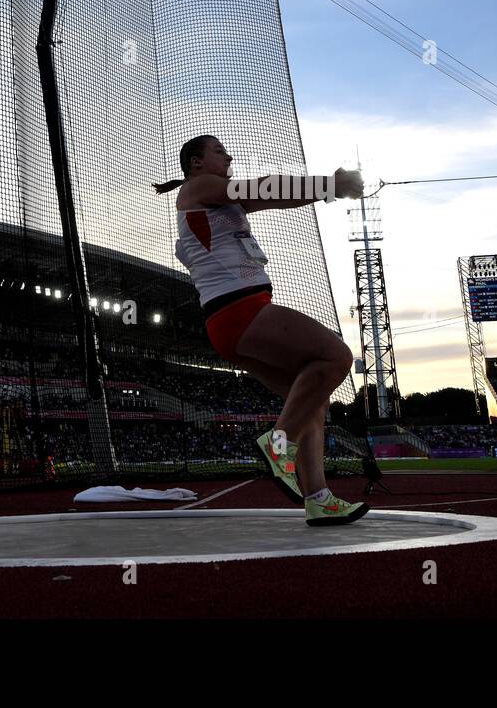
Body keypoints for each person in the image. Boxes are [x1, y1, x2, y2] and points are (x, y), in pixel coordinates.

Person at [154, 135, 369, 526]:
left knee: (312, 402)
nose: (229, 156)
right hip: (241, 309)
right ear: (196, 162)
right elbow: (263, 187)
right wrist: (330, 185)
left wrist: (326, 191)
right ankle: (278, 442)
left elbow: (268, 196)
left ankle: (318, 497)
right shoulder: (199, 186)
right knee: (336, 357)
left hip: (231, 322)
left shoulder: (213, 199)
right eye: (219, 151)